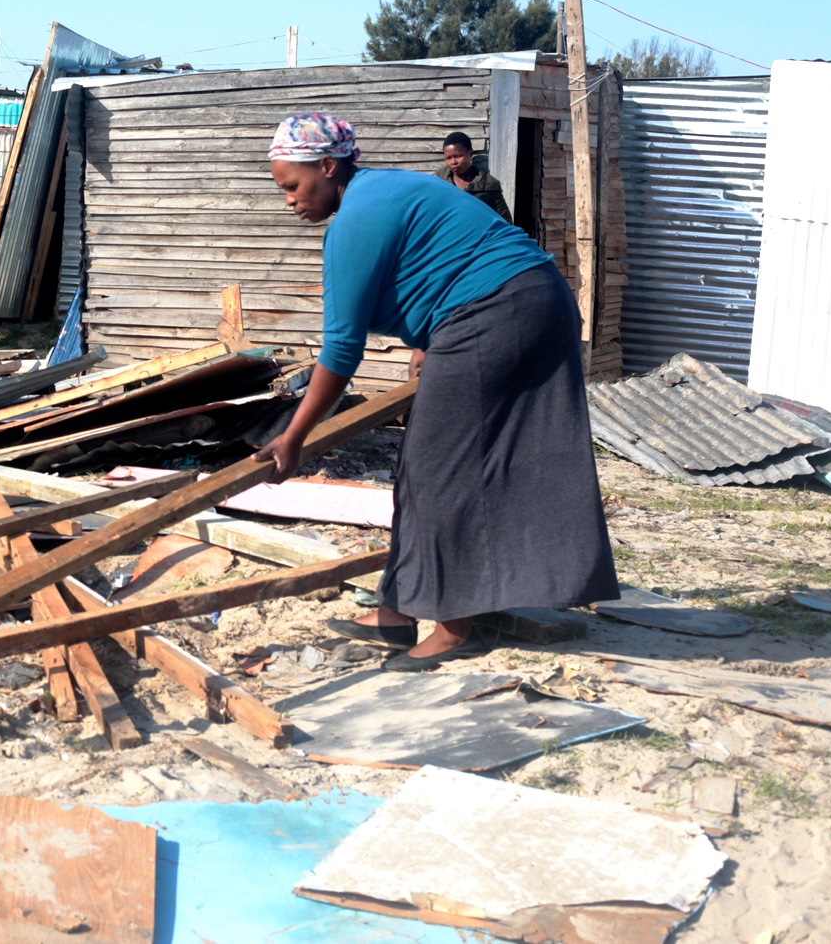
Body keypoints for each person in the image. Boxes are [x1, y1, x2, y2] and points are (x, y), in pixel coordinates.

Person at [254, 112, 618, 670]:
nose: (288, 201)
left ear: (327, 167)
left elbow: (341, 351)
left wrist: (296, 437)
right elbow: (443, 257)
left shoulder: (354, 221)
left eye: (293, 187)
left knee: (439, 468)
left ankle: (456, 626)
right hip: (527, 300)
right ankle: (398, 611)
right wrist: (425, 339)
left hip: (498, 311)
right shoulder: (389, 186)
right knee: (433, 464)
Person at [436, 130, 511, 222]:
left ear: (470, 153)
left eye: (458, 156)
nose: (453, 162)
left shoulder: (488, 184)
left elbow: (504, 221)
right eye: (448, 158)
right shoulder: (438, 181)